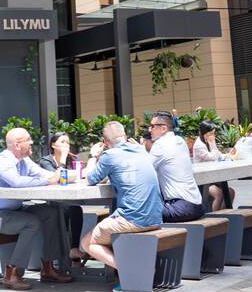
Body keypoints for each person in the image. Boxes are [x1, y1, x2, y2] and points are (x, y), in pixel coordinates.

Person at [0, 127, 73, 290]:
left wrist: (64, 172)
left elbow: (46, 175)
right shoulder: (3, 160)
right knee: (31, 222)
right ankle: (12, 273)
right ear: (18, 144)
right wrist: (49, 181)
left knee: (51, 212)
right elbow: (17, 182)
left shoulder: (24, 161)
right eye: (28, 139)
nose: (32, 142)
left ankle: (48, 268)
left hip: (13, 211)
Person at [78, 121, 162, 274]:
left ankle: (131, 272)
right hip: (156, 217)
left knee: (87, 243)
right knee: (107, 228)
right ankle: (124, 273)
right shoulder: (140, 150)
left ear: (105, 142)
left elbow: (89, 179)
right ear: (125, 136)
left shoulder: (109, 155)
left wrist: (92, 156)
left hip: (133, 219)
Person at [145, 110, 206, 222]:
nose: (149, 129)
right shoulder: (179, 140)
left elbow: (143, 171)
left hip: (180, 207)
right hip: (197, 205)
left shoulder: (160, 144)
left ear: (163, 128)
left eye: (152, 126)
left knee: (138, 213)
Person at [38, 131, 85, 253]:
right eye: (62, 142)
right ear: (53, 145)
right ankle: (63, 252)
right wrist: (63, 159)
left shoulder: (73, 159)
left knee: (76, 208)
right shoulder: (45, 161)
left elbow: (80, 177)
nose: (66, 145)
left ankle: (74, 248)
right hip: (53, 200)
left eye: (68, 142)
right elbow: (58, 179)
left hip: (70, 199)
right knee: (68, 209)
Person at [192, 120, 235, 211]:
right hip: (203, 180)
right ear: (205, 133)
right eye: (211, 133)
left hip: (213, 177)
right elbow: (212, 157)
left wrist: (228, 155)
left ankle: (225, 215)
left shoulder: (207, 141)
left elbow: (218, 155)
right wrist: (213, 143)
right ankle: (214, 218)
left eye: (213, 133)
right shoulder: (199, 145)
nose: (213, 136)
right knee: (218, 194)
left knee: (230, 192)